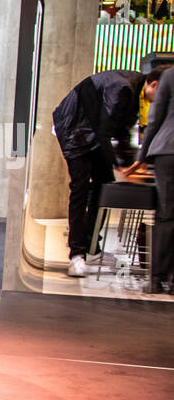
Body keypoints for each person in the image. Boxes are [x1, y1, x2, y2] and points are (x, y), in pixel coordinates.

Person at [52, 70, 159, 277]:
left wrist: (127, 163)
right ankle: (77, 255)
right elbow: (105, 130)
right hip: (74, 128)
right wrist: (120, 165)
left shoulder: (134, 90)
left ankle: (90, 243)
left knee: (104, 183)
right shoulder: (123, 87)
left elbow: (121, 130)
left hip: (90, 131)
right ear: (153, 85)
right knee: (80, 188)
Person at [137, 66, 174, 294]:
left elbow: (156, 117)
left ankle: (156, 280)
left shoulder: (170, 75)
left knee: (166, 215)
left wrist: (142, 157)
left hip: (168, 151)